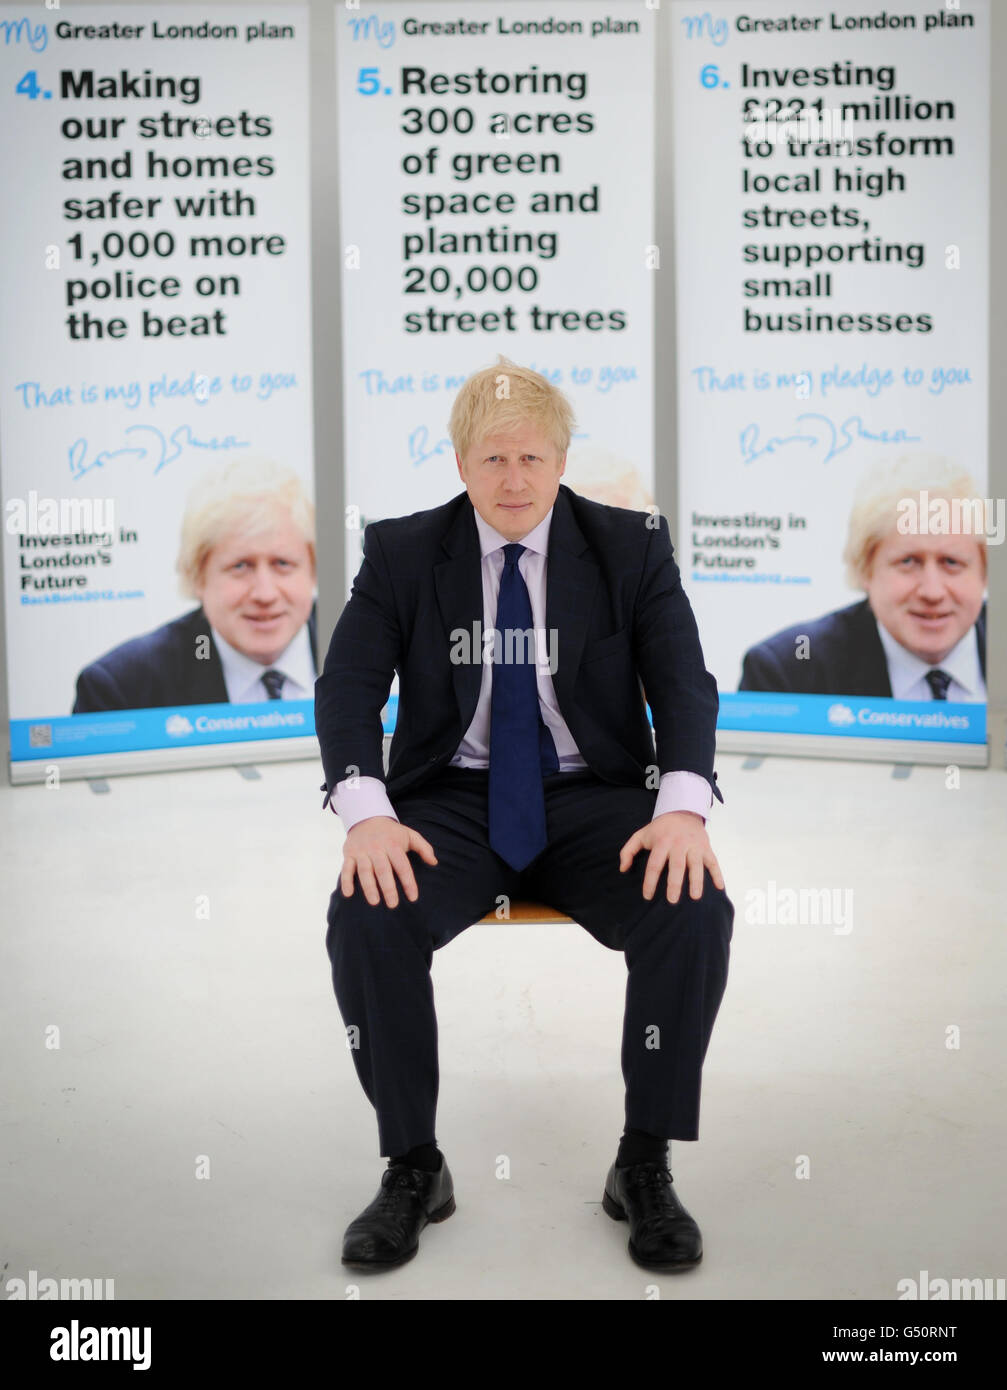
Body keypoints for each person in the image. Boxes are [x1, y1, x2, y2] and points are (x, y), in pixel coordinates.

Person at [315, 358, 734, 1274]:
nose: (513, 480)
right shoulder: (399, 552)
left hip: (593, 798)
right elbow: (347, 689)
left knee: (691, 906)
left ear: (562, 458)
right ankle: (412, 1166)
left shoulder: (631, 547)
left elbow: (683, 682)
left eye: (532, 458)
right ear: (460, 461)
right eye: (493, 458)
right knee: (366, 912)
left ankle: (645, 1161)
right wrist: (363, 811)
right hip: (452, 803)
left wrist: (683, 809)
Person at [72, 457, 318, 712]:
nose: (265, 594)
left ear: (314, 569)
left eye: (282, 563)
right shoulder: (122, 690)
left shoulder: (361, 650)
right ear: (197, 576)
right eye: (240, 566)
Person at [739, 455, 988, 700]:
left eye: (952, 562)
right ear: (865, 568)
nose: (932, 592)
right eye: (908, 561)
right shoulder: (788, 674)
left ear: (986, 572)